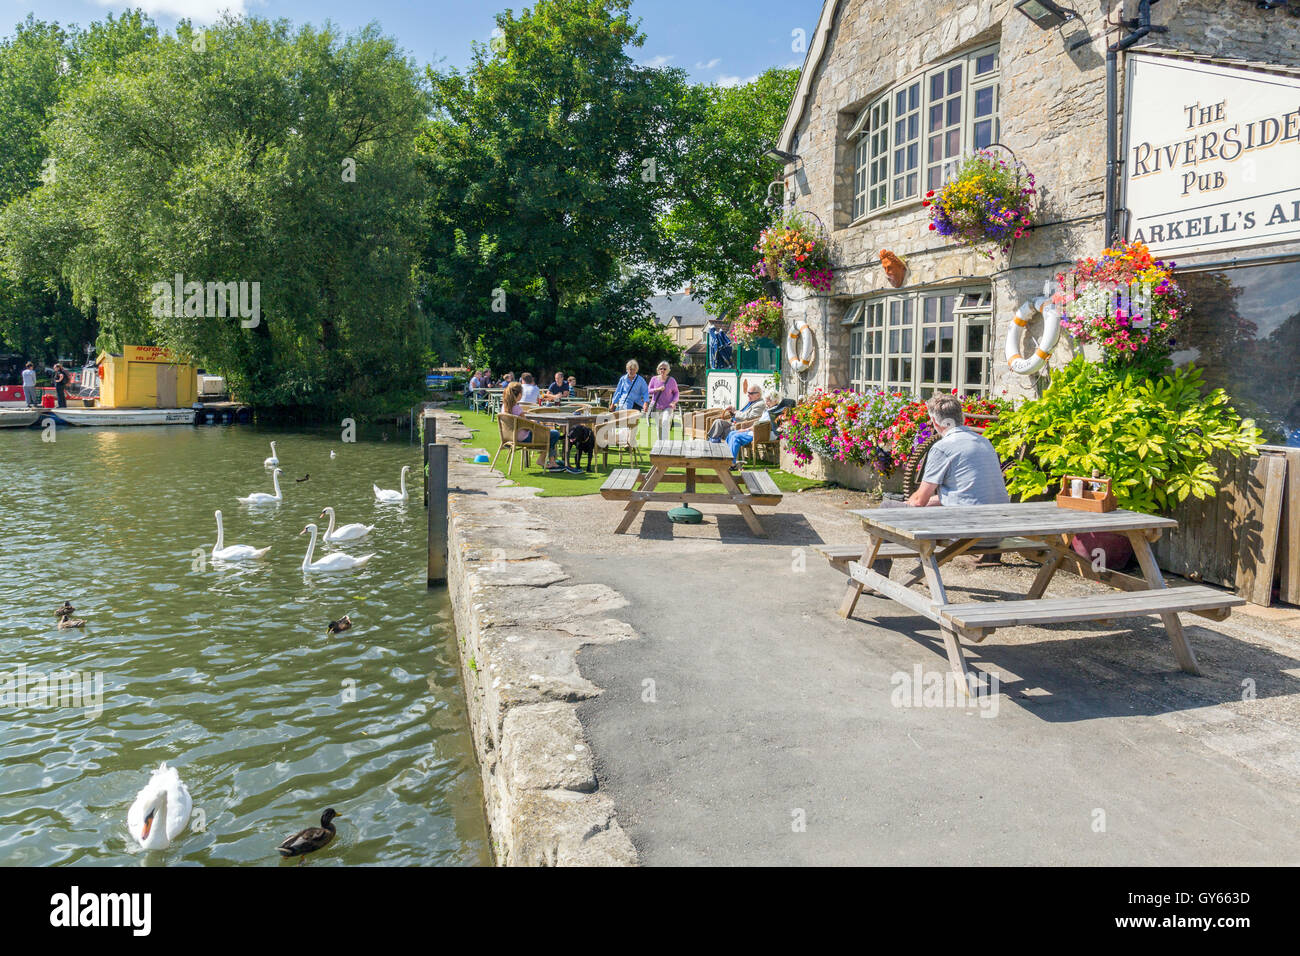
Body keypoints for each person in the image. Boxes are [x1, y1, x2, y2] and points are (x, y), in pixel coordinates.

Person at [906, 394, 1009, 508]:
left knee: (887, 506)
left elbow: (918, 501)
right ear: (962, 417)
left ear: (934, 421)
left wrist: (905, 504)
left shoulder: (942, 448)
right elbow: (965, 494)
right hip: (1000, 514)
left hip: (968, 520)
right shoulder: (984, 442)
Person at [504, 381, 571, 472]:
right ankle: (544, 460)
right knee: (554, 434)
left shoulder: (505, 407)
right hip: (524, 437)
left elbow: (522, 422)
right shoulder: (516, 408)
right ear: (519, 394)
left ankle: (552, 462)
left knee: (549, 434)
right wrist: (536, 423)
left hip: (510, 436)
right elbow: (528, 425)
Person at [709, 386, 777, 468]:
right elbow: (753, 419)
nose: (748, 395)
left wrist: (743, 427)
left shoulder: (763, 406)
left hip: (751, 428)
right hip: (744, 425)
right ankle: (722, 455)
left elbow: (753, 419)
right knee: (721, 425)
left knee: (734, 436)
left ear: (758, 395)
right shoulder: (764, 408)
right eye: (748, 393)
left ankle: (730, 462)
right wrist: (733, 412)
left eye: (751, 393)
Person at [646, 361, 679, 440]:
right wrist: (657, 389)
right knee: (659, 427)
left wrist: (674, 401)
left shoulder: (671, 380)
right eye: (661, 368)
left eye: (664, 369)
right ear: (658, 370)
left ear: (668, 370)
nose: (662, 370)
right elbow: (648, 390)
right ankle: (660, 445)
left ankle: (665, 445)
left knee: (665, 422)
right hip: (656, 406)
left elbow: (676, 392)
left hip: (668, 406)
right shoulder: (654, 379)